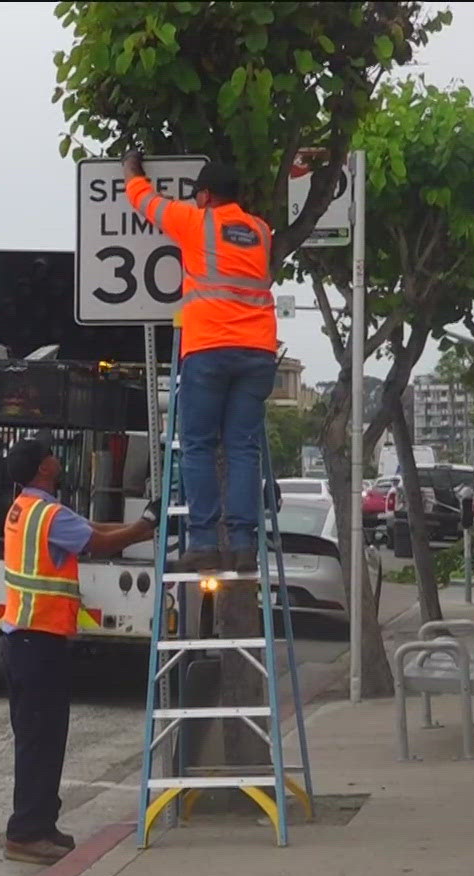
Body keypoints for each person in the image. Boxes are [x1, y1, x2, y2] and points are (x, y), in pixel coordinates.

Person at [1, 439, 157, 865]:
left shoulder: (26, 508)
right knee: (41, 740)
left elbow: (90, 529)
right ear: (45, 468)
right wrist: (145, 528)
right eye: (52, 454)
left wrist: (140, 523)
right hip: (39, 642)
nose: (58, 458)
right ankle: (27, 832)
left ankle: (41, 824)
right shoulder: (48, 515)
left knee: (39, 739)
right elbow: (99, 545)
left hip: (23, 641)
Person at [124, 151, 280, 573]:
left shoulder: (198, 223)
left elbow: (146, 202)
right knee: (242, 448)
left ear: (206, 195)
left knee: (197, 445)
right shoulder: (261, 231)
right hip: (259, 351)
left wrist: (131, 173)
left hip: (209, 347)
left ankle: (206, 541)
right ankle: (245, 544)